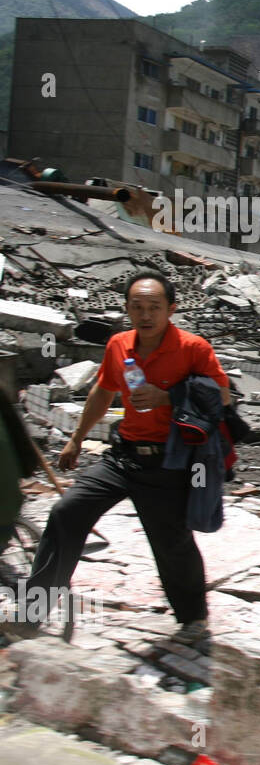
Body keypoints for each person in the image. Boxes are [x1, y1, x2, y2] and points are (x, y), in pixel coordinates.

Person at [2, 271, 231, 642]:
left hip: (168, 463)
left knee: (171, 542)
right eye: (136, 307)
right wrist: (75, 439)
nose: (145, 315)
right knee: (65, 514)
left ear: (171, 309)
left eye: (154, 307)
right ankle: (31, 615)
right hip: (122, 456)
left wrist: (167, 396)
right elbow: (102, 392)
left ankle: (193, 618)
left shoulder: (193, 348)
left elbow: (222, 396)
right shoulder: (119, 344)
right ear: (126, 309)